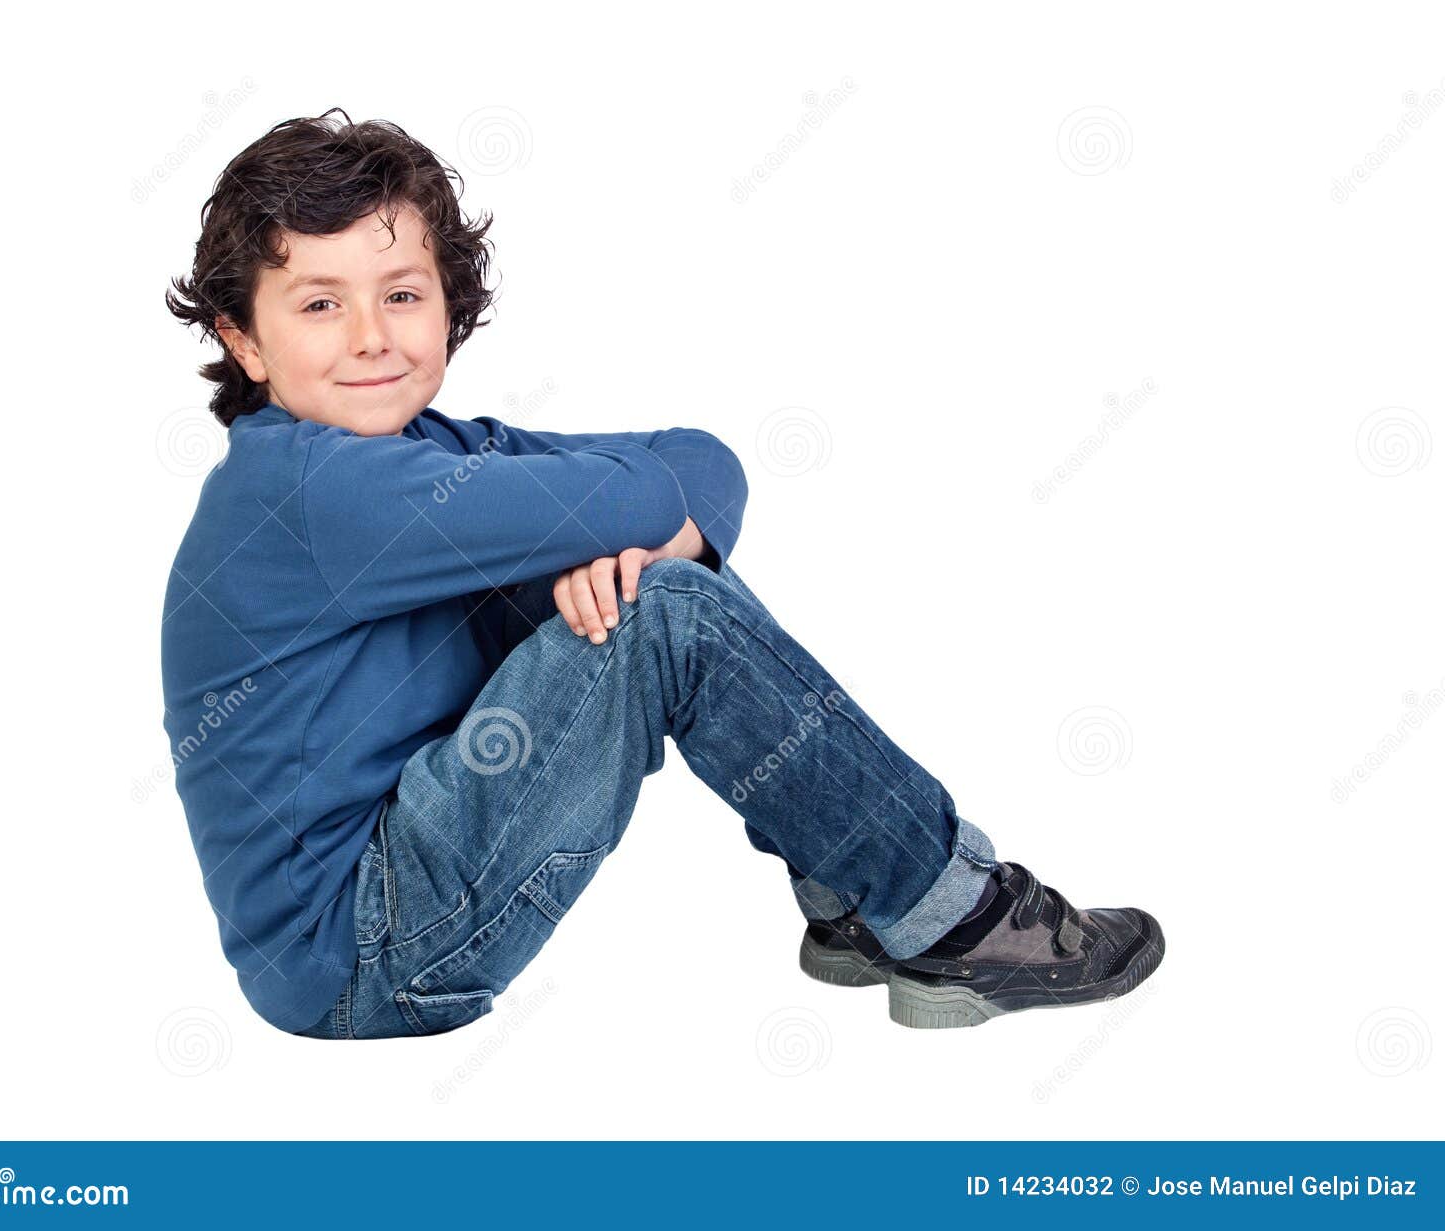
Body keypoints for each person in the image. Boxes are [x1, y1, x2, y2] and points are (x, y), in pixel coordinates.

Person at [160, 108, 1164, 1039]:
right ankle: (951, 916)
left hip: (390, 908)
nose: (372, 335)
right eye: (320, 303)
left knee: (645, 579)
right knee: (663, 607)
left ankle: (869, 894)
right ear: (242, 338)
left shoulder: (434, 450)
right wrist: (639, 543)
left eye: (403, 294)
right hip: (361, 951)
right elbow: (652, 497)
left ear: (448, 306)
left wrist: (626, 543)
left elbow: (701, 461)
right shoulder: (305, 492)